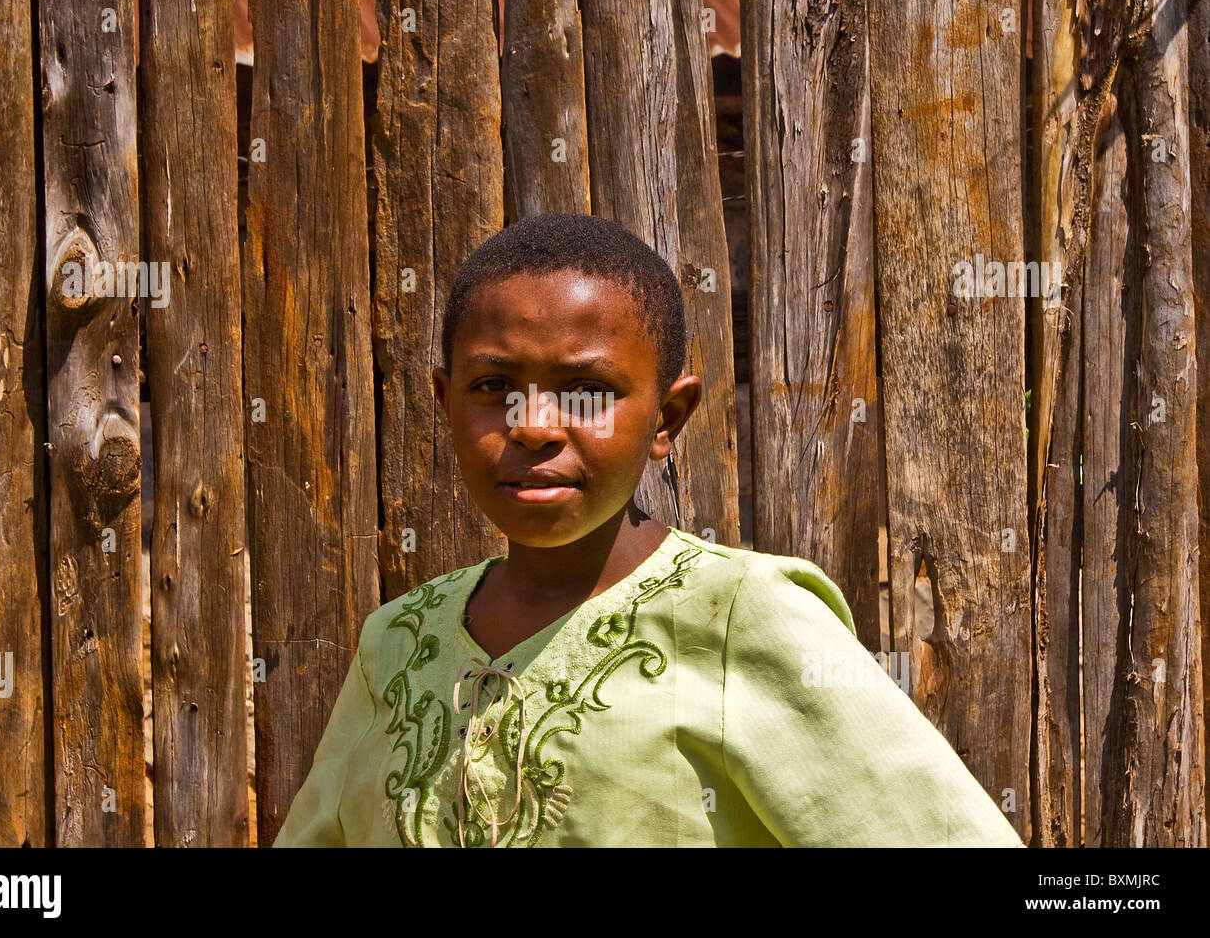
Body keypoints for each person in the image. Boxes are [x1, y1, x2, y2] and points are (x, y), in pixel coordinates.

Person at [273, 213, 1025, 848]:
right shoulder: (397, 643)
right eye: (494, 386)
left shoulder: (738, 617)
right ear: (446, 401)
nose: (534, 426)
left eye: (589, 391)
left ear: (666, 418)